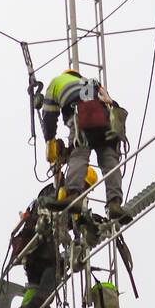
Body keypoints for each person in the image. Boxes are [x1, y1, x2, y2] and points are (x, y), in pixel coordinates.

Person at [41, 68, 131, 222]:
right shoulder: (92, 84)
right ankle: (114, 203)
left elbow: (49, 115)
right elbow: (112, 104)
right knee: (110, 160)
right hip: (105, 121)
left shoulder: (56, 82)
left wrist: (50, 140)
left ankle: (74, 196)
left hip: (81, 118)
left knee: (79, 154)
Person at [7, 184, 61, 308]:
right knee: (54, 276)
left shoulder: (37, 204)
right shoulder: (57, 197)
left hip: (31, 255)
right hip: (43, 251)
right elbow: (67, 220)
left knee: (34, 286)